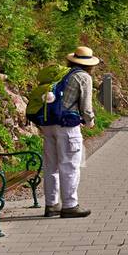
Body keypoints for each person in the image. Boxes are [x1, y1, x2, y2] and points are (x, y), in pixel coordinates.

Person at [41, 46, 99, 218]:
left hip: (49, 124)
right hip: (67, 126)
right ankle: (70, 205)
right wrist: (90, 122)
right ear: (89, 64)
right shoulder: (84, 77)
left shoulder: (62, 74)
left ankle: (51, 205)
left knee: (51, 166)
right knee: (70, 166)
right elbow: (86, 107)